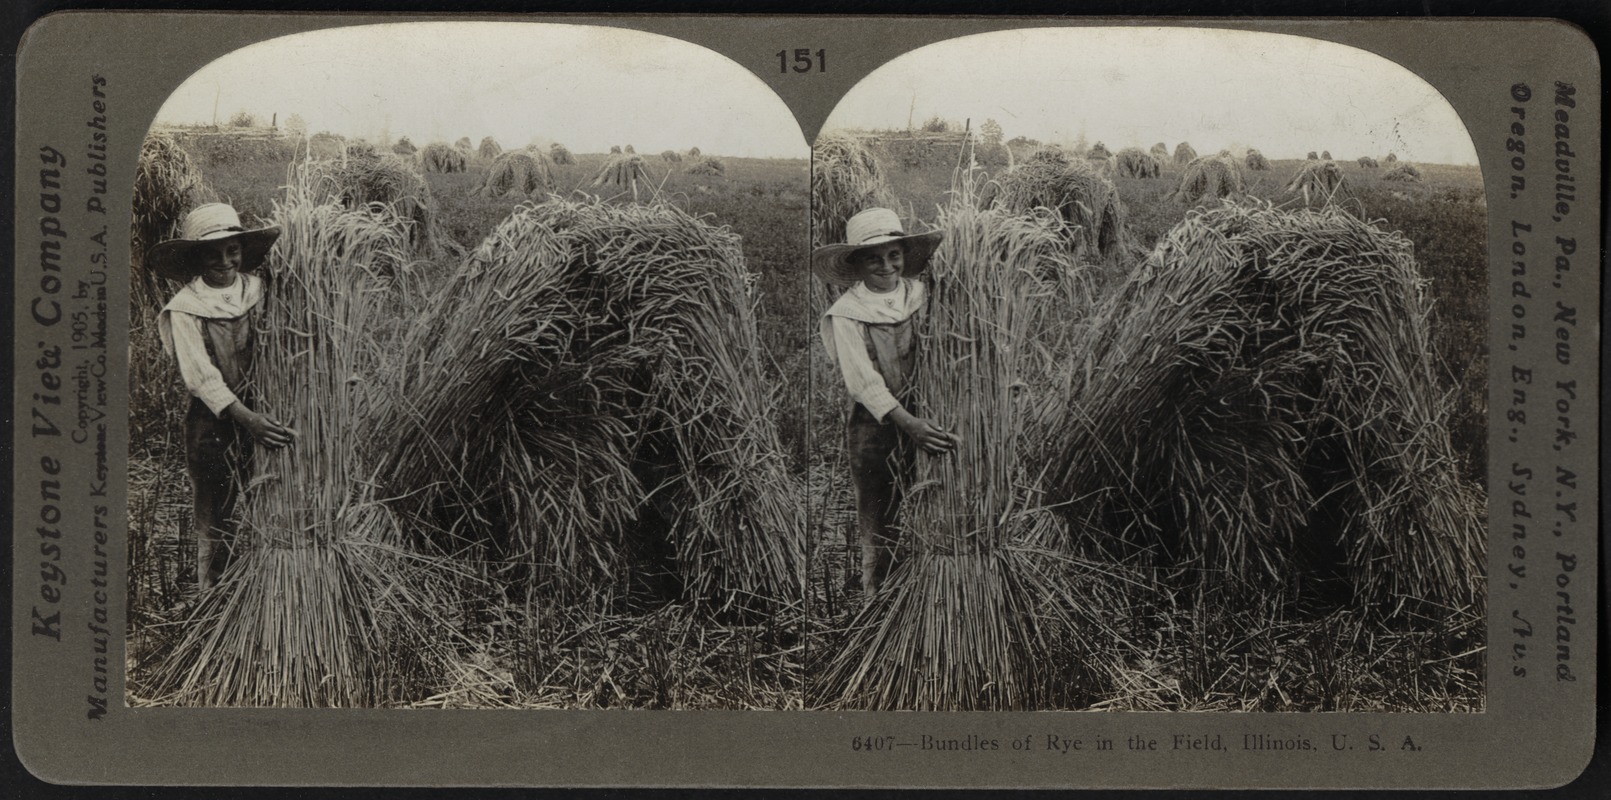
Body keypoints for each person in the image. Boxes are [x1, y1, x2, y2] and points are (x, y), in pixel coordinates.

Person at [814, 207, 959, 593]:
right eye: (874, 258)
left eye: (894, 255)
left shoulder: (921, 294)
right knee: (879, 511)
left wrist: (928, 417)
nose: (887, 265)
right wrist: (908, 424)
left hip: (931, 417)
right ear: (858, 263)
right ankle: (876, 598)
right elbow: (863, 382)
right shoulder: (847, 313)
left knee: (934, 501)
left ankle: (929, 586)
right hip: (877, 425)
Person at [150, 203, 293, 591]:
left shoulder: (258, 289)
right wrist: (249, 420)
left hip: (267, 412)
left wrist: (269, 412)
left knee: (271, 501)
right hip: (215, 422)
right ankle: (212, 600)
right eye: (212, 253)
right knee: (216, 513)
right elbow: (202, 378)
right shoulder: (185, 307)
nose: (225, 261)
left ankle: (269, 585)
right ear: (197, 257)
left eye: (232, 250)